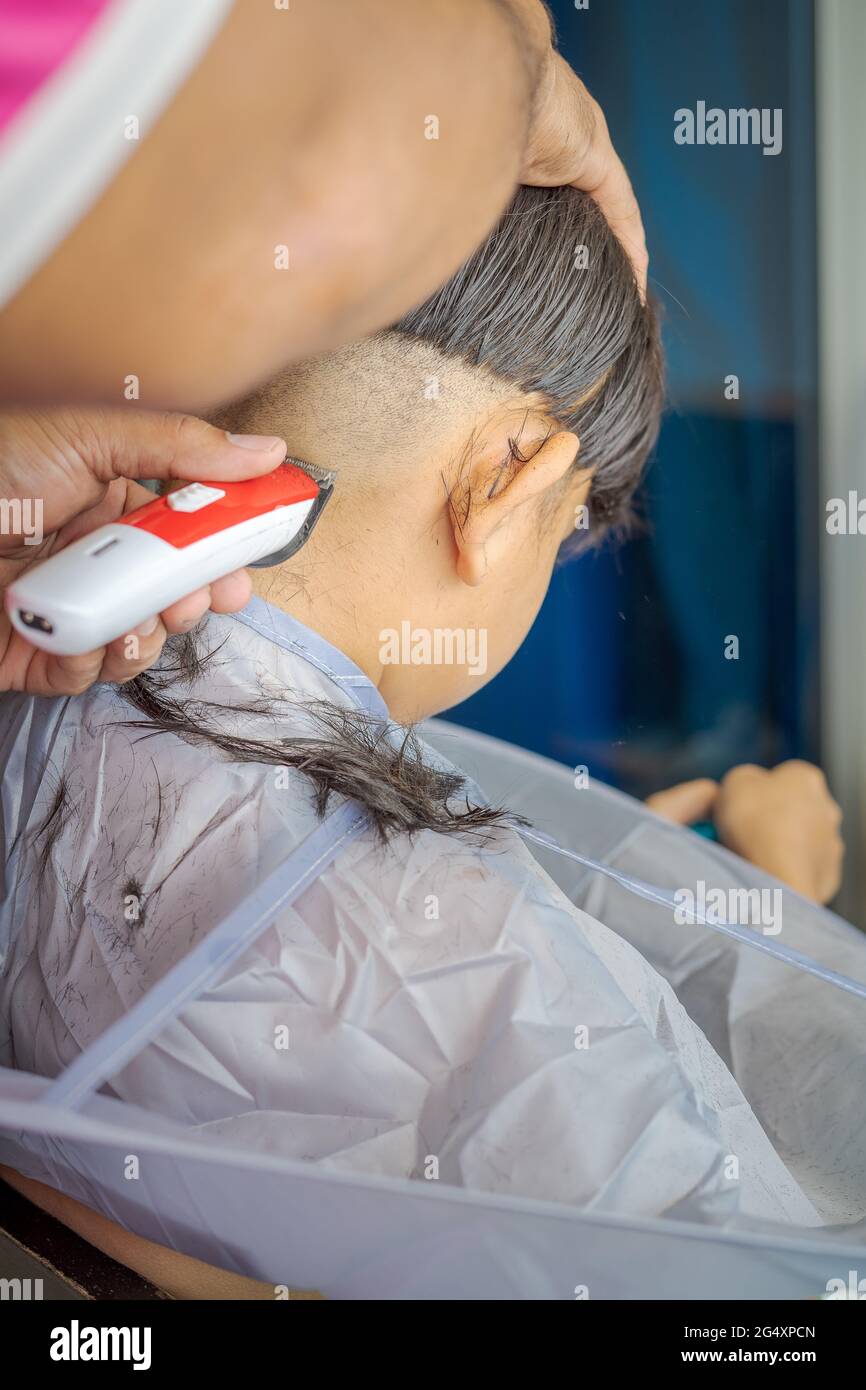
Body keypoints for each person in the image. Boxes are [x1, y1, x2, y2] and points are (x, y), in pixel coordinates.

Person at [0, 185, 856, 1300]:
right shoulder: (476, 950)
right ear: (507, 485)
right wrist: (774, 895)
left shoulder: (39, 695)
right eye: (568, 533)